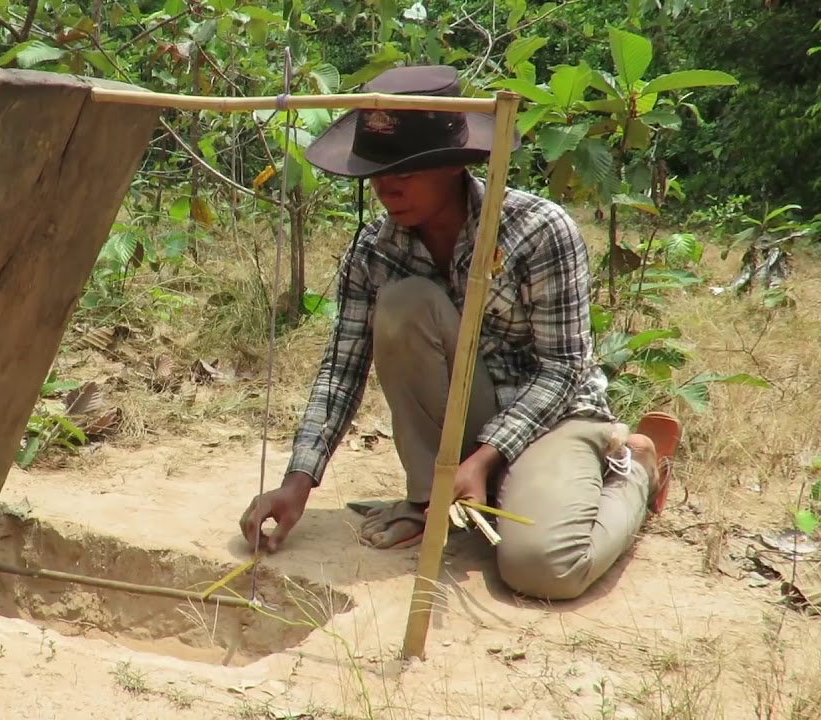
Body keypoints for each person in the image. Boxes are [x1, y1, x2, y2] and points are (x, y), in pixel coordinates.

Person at [238, 65, 683, 601]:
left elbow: (563, 369)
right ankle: (433, 500)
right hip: (466, 422)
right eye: (377, 170)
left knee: (541, 568)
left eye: (406, 169)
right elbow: (341, 370)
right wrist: (296, 484)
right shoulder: (374, 250)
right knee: (403, 304)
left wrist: (483, 457)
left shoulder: (539, 229)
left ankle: (637, 466)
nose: (385, 186)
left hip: (552, 419)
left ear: (453, 165)